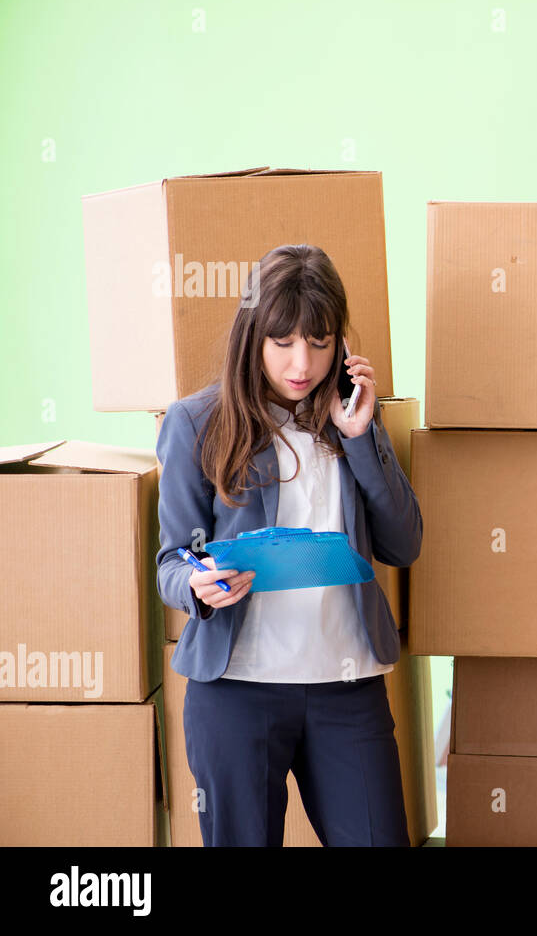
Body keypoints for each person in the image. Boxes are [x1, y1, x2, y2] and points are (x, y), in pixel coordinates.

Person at [155, 243, 423, 846]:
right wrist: (197, 584)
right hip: (236, 693)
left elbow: (404, 544)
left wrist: (361, 437)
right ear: (253, 338)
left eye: (321, 343)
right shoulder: (197, 423)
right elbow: (172, 561)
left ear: (342, 346)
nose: (302, 363)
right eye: (284, 344)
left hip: (347, 686)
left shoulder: (350, 420)